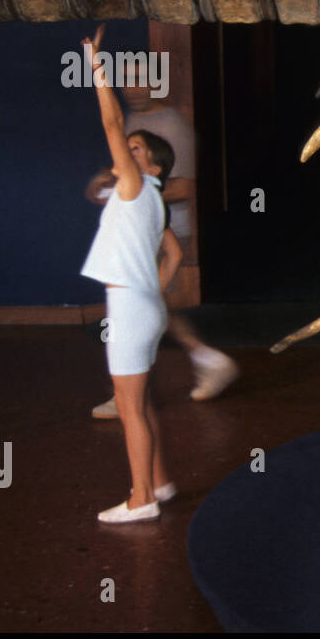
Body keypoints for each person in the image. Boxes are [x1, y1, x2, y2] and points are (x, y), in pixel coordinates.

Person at [84, 61, 238, 416]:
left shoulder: (171, 125)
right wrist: (111, 186)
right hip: (140, 227)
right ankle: (203, 361)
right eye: (128, 80)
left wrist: (126, 196)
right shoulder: (138, 125)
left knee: (135, 307)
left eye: (141, 80)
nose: (133, 88)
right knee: (149, 307)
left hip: (157, 227)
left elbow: (184, 186)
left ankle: (129, 391)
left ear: (157, 82)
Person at [79, 25, 181, 523]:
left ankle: (141, 499)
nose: (127, 153)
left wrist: (96, 66)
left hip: (130, 308)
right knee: (137, 402)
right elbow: (175, 254)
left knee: (128, 406)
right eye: (130, 150)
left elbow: (112, 123)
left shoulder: (140, 187)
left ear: (153, 165)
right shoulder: (152, 200)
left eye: (137, 151)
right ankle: (159, 482)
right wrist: (155, 293)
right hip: (142, 306)